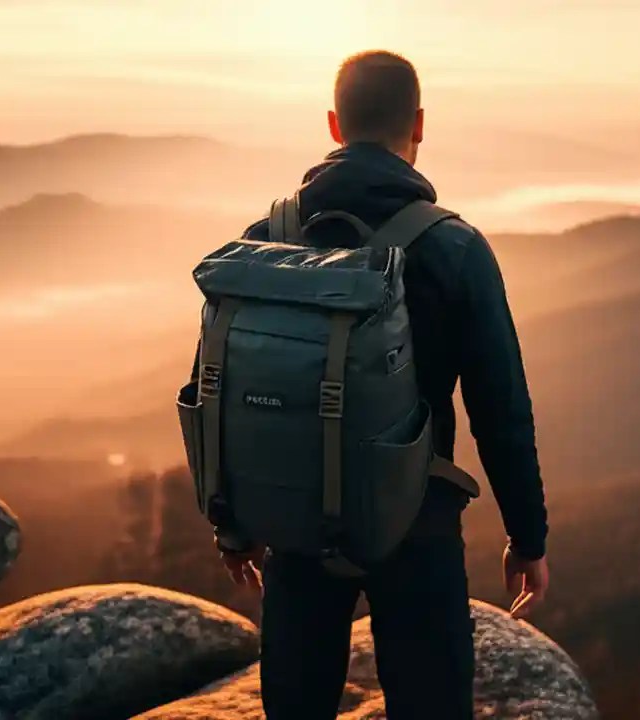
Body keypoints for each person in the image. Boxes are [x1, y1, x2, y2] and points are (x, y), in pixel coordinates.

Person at [216, 50, 549, 719]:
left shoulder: (268, 240)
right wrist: (527, 537)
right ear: (419, 124)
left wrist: (235, 523)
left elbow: (223, 387)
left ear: (335, 125)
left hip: (295, 520)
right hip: (415, 523)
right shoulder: (454, 248)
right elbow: (500, 409)